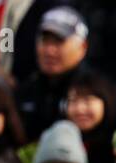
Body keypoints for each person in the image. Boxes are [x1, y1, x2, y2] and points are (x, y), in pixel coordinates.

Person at [16, 6, 92, 140]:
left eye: (58, 41)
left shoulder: (95, 94)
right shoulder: (25, 91)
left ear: (82, 47)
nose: (49, 51)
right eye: (45, 41)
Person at [65, 70, 116, 163]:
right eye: (73, 101)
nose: (79, 109)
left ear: (106, 101)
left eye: (87, 101)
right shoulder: (61, 139)